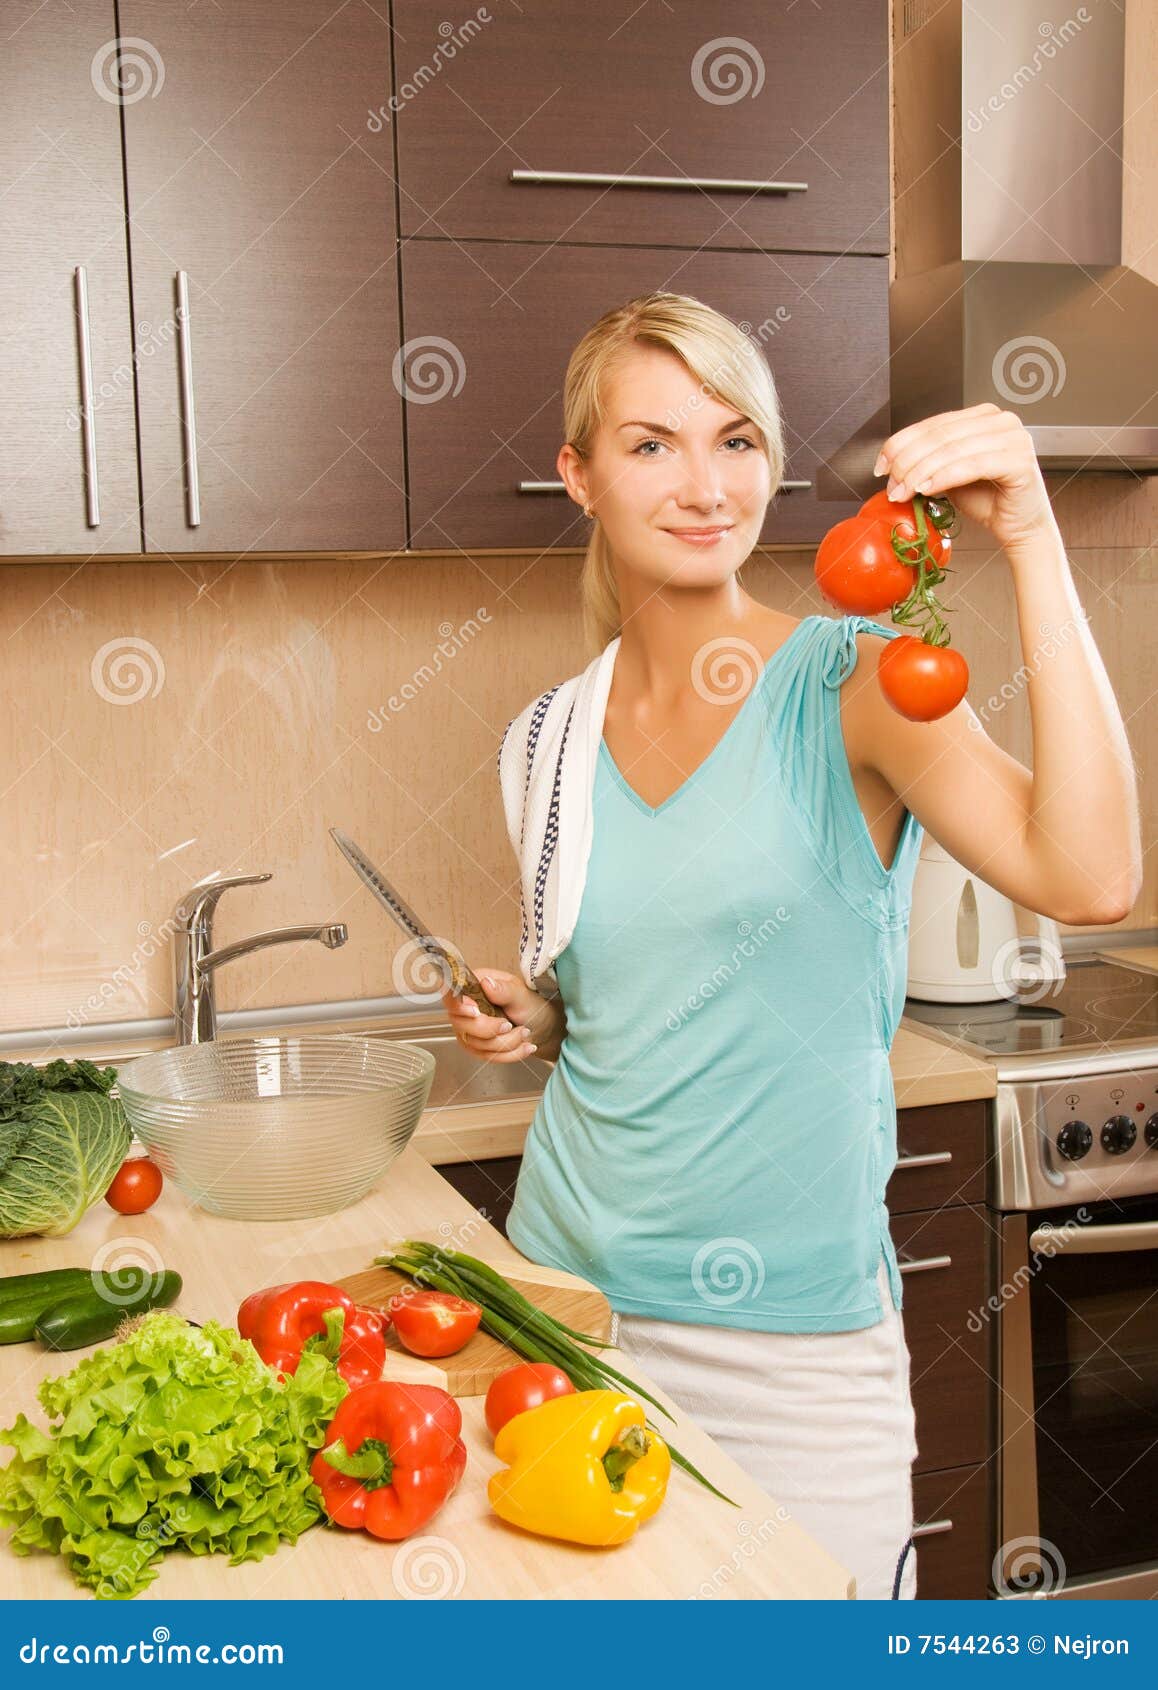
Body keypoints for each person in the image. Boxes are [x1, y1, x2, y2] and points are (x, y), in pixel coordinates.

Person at [441, 291, 1141, 1599]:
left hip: (791, 1351)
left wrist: (1031, 537)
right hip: (562, 1304)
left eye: (736, 438)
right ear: (577, 475)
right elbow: (610, 995)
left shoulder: (859, 680)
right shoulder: (543, 737)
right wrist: (528, 1015)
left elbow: (1090, 874)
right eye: (650, 444)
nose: (704, 484)